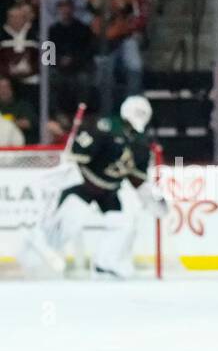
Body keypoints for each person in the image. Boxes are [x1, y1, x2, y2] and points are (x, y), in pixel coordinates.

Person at [20, 96, 162, 278]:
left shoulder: (141, 144)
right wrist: (73, 160)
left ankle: (105, 263)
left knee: (124, 224)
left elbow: (137, 179)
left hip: (109, 190)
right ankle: (37, 247)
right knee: (67, 227)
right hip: (84, 185)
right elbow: (77, 157)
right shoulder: (104, 127)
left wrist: (152, 198)